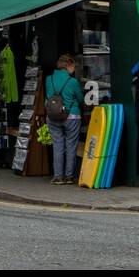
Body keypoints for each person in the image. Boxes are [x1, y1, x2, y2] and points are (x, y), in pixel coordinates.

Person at [46, 54, 85, 185]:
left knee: (57, 145)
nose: (74, 69)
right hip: (71, 116)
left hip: (53, 116)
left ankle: (57, 177)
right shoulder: (72, 82)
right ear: (68, 65)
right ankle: (69, 176)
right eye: (73, 66)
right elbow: (80, 99)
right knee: (71, 145)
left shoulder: (48, 79)